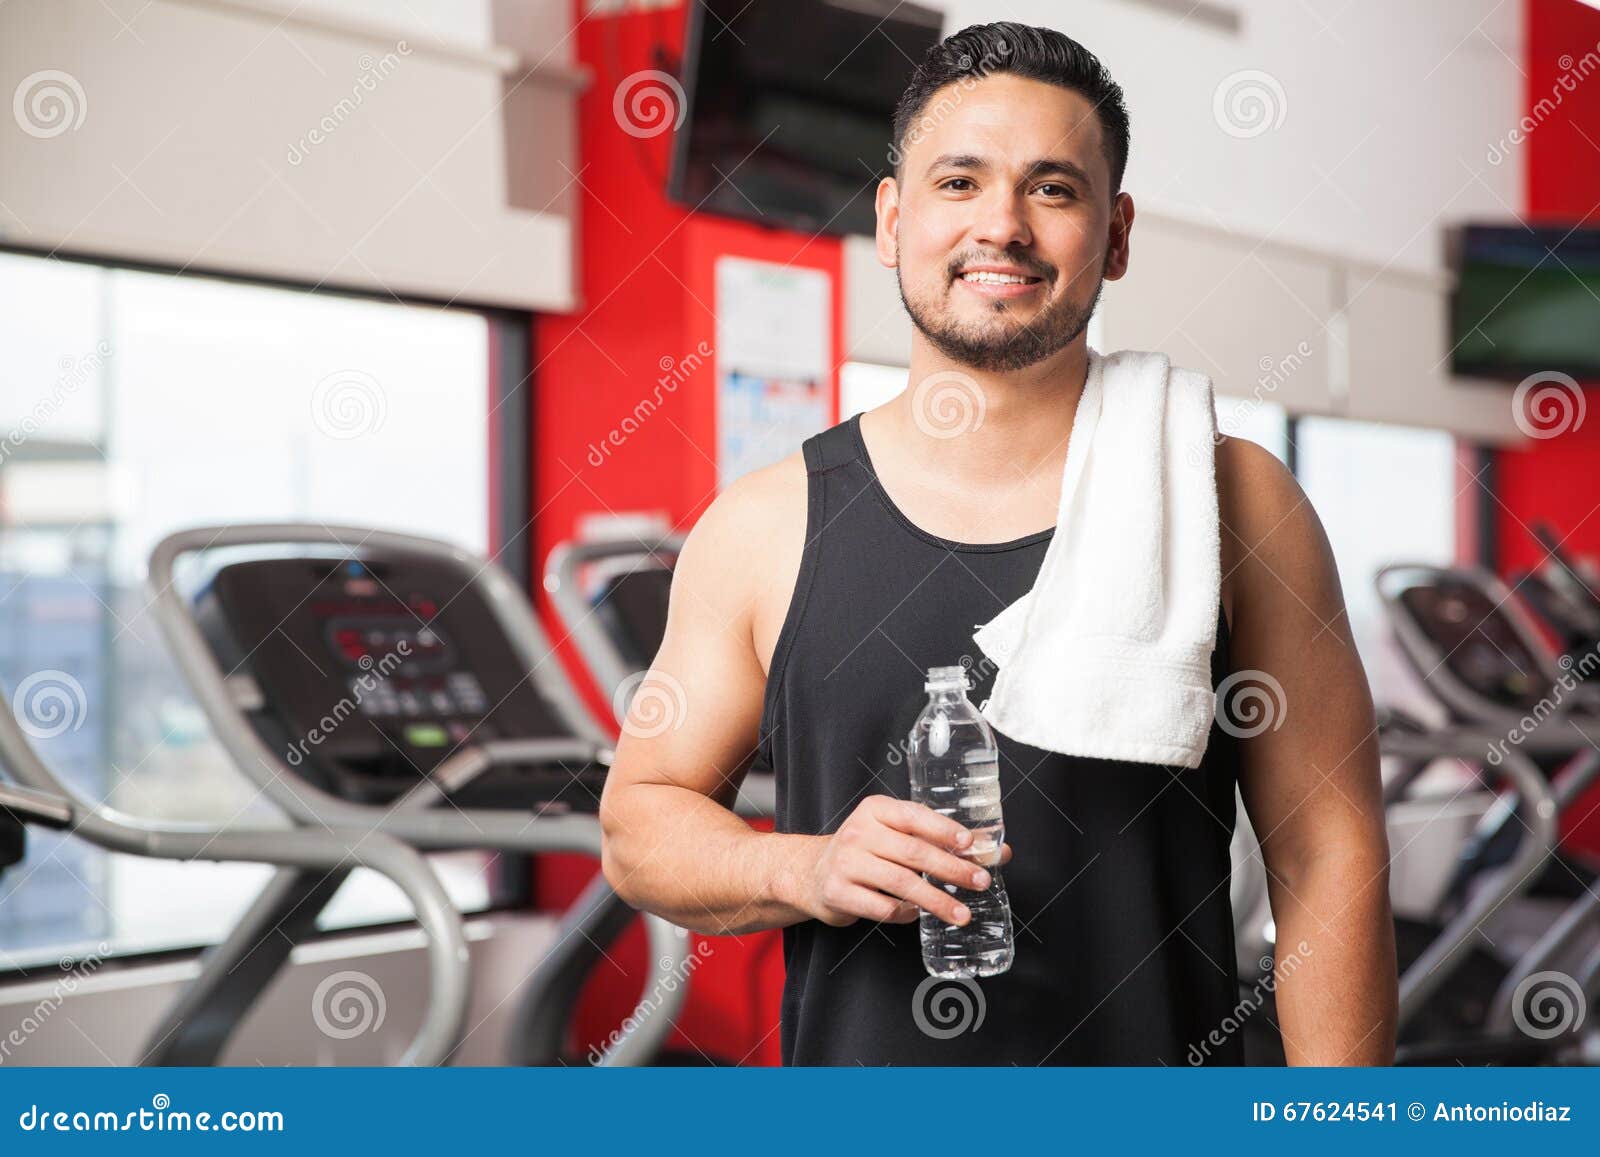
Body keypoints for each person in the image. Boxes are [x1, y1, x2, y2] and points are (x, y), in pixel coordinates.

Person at [598, 21, 1396, 1066]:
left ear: (1113, 234)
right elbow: (639, 819)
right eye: (958, 182)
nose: (1003, 226)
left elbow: (1326, 850)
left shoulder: (1231, 495)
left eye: (1052, 189)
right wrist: (801, 867)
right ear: (892, 219)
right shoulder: (765, 522)